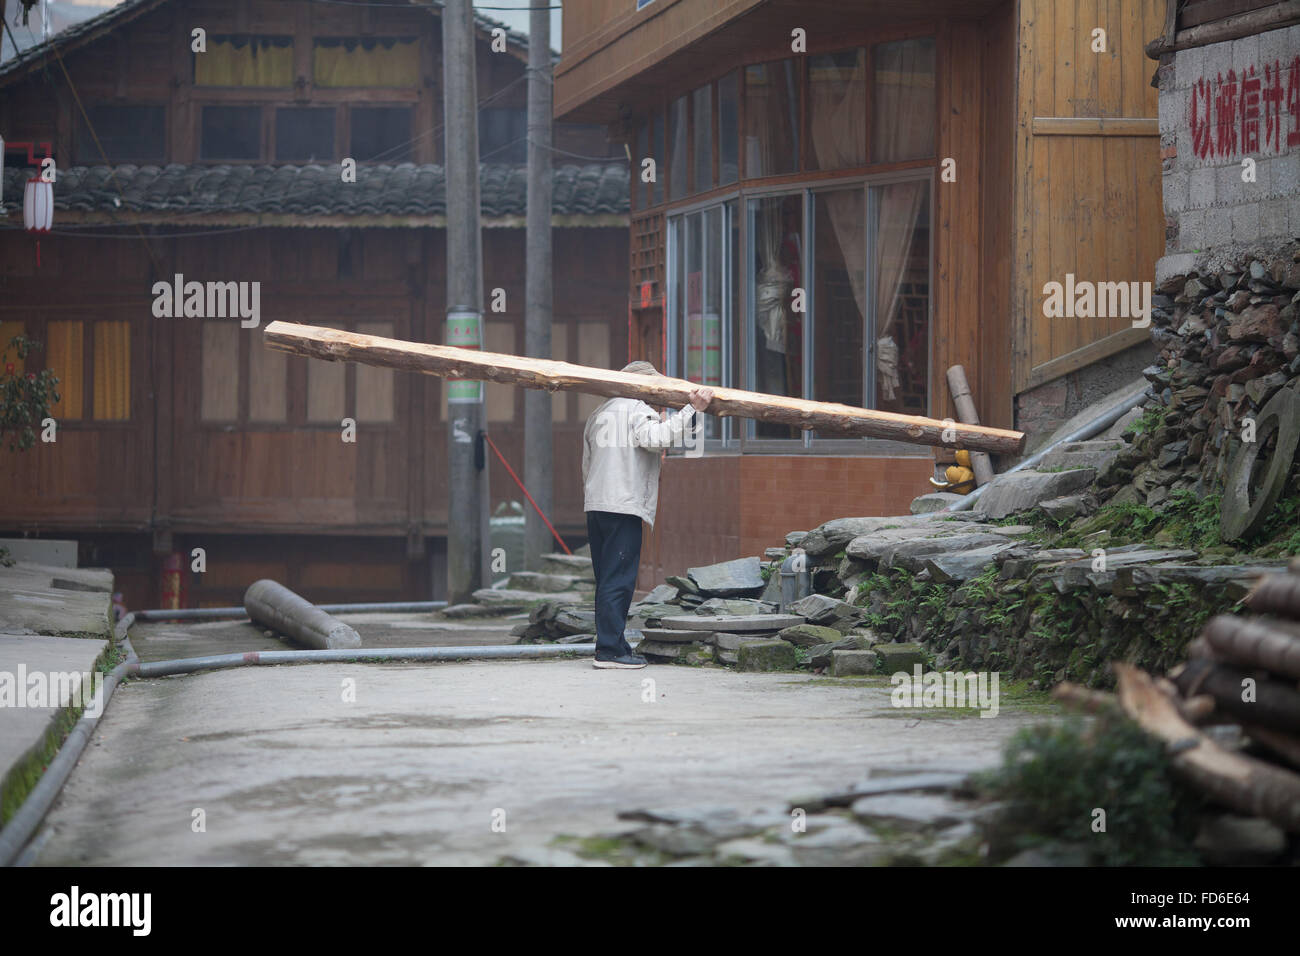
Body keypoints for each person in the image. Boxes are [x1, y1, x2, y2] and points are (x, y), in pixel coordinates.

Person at [581, 361, 714, 669]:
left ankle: (609, 645)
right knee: (620, 579)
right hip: (623, 505)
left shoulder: (599, 412)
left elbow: (586, 463)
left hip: (597, 505)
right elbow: (657, 440)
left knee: (606, 579)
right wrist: (693, 410)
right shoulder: (636, 408)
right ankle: (611, 652)